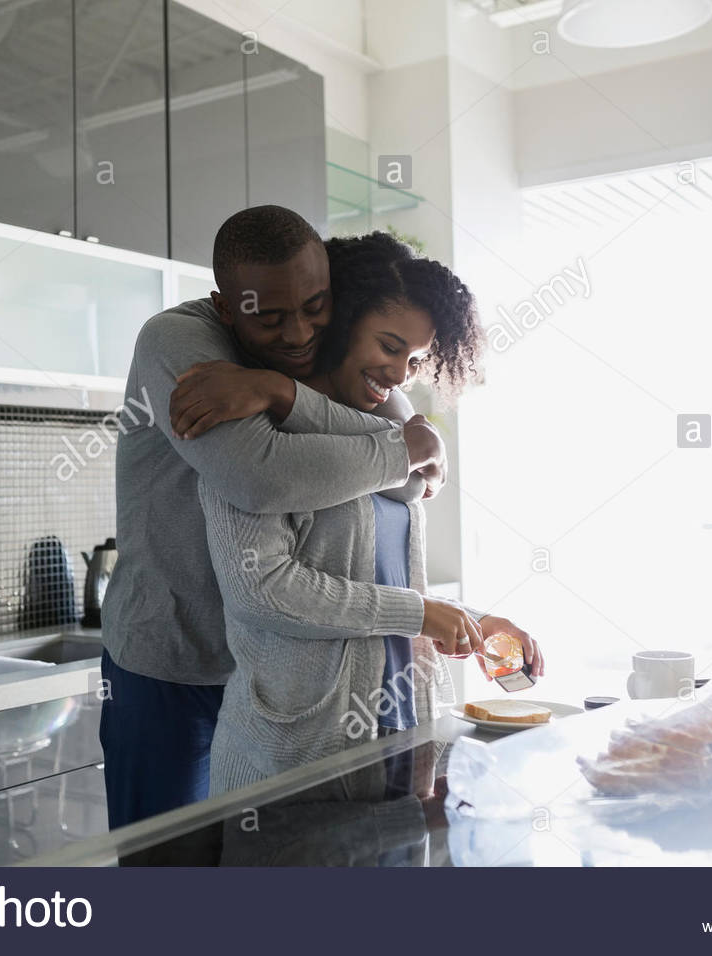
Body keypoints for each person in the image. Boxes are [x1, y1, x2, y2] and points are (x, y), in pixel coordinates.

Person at [99, 206, 472, 829]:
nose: (298, 334)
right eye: (269, 318)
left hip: (267, 670)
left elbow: (410, 477)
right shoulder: (178, 343)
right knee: (167, 873)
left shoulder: (331, 354)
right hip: (173, 655)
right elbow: (260, 476)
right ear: (227, 309)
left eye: (315, 307)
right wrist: (405, 447)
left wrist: (296, 396)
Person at [190, 232, 546, 794]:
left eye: (416, 358)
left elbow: (388, 583)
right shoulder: (258, 434)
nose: (402, 374)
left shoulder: (388, 433)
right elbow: (259, 589)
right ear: (343, 319)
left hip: (404, 736)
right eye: (389, 346)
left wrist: (471, 621)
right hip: (297, 753)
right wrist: (420, 614)